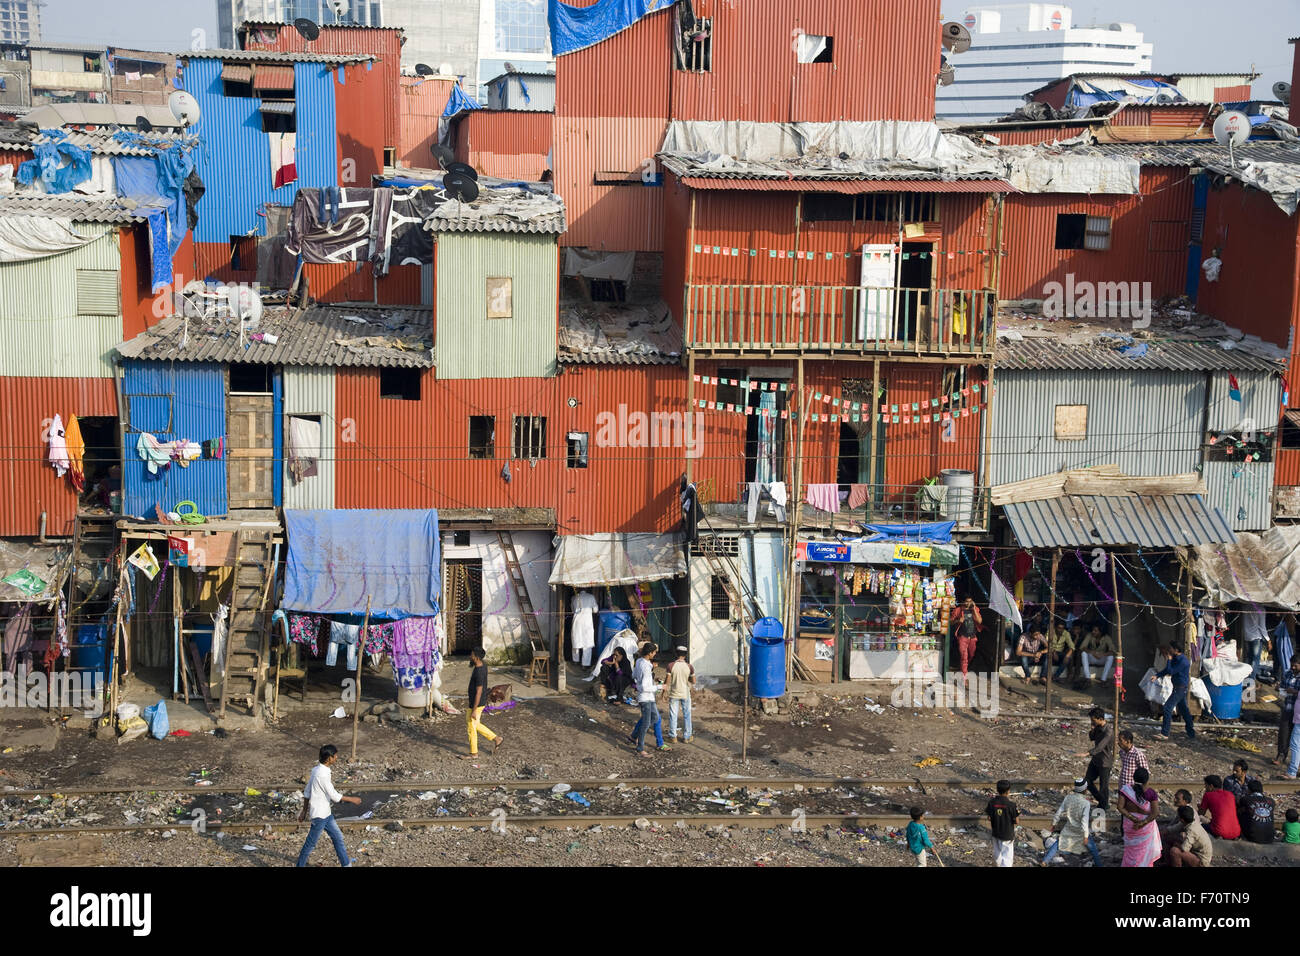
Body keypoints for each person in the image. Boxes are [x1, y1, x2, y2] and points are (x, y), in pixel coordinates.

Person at [296, 743, 362, 868]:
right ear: (329, 758)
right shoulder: (322, 774)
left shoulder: (316, 770)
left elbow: (307, 792)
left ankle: (346, 864)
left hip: (326, 814)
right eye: (335, 755)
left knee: (338, 838)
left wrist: (304, 811)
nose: (337, 757)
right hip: (320, 816)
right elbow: (334, 796)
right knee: (310, 845)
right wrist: (352, 799)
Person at [1041, 780, 1103, 867]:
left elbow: (1059, 812)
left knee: (1058, 844)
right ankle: (1099, 865)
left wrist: (1054, 823)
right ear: (1084, 790)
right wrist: (1085, 836)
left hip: (1069, 828)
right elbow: (1084, 821)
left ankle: (1045, 861)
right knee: (1093, 850)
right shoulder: (1086, 803)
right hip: (1080, 831)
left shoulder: (1068, 798)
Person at [629, 642, 670, 756]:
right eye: (654, 652)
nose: (655, 654)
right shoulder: (646, 666)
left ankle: (634, 736)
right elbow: (646, 687)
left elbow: (634, 676)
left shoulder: (639, 661)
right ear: (650, 653)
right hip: (646, 697)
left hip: (646, 697)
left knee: (655, 718)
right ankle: (640, 748)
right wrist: (660, 686)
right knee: (646, 723)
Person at [462, 646, 502, 759]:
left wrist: (474, 709)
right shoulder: (482, 665)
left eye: (472, 655)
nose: (470, 656)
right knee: (474, 724)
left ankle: (474, 753)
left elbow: (479, 691)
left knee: (471, 726)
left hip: (477, 702)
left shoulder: (479, 671)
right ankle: (496, 738)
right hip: (479, 701)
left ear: (476, 657)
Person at [1118, 767, 1161, 867]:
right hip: (1145, 827)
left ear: (1134, 777)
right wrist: (1142, 823)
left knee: (1130, 849)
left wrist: (1132, 818)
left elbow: (1120, 807)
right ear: (1147, 779)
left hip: (1129, 824)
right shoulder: (1151, 793)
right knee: (1144, 851)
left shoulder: (1125, 790)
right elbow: (1155, 813)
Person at [1153, 643, 1195, 740]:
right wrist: (1157, 675)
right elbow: (1167, 670)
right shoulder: (1176, 658)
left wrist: (1169, 660)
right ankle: (1191, 733)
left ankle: (1165, 733)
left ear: (1176, 650)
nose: (1169, 650)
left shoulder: (1183, 661)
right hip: (1177, 687)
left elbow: (1171, 671)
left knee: (1167, 708)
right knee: (1184, 711)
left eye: (1170, 649)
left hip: (1180, 688)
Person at [1075, 707, 1114, 810]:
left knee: (1103, 786)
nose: (1092, 721)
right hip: (1096, 760)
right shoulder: (1097, 727)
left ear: (1100, 718)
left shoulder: (1108, 731)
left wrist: (1087, 753)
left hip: (1104, 762)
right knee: (1087, 781)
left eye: (1093, 719)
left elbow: (1100, 746)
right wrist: (1092, 729)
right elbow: (1092, 738)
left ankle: (1103, 806)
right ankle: (1102, 801)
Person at [1273, 655, 1300, 767]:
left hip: (1298, 711)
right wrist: (1279, 688)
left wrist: (1294, 692)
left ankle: (1295, 762)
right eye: (1292, 665)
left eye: (1295, 665)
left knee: (1296, 738)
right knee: (1284, 732)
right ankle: (1281, 754)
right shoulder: (1288, 673)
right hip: (1287, 707)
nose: (1293, 667)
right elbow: (1283, 686)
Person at [985, 779, 1019, 867]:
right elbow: (1016, 821)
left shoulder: (992, 803)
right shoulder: (1011, 805)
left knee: (997, 853)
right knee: (1007, 856)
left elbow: (989, 818)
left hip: (996, 833)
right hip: (1007, 834)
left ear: (997, 790)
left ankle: (997, 864)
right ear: (1008, 791)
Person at [665, 645, 695, 743]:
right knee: (687, 714)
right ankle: (687, 737)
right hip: (685, 693)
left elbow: (668, 681)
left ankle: (673, 736)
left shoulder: (670, 665)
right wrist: (687, 677)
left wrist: (663, 692)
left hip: (674, 693)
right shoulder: (689, 666)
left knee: (673, 714)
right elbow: (693, 681)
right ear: (685, 655)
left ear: (676, 654)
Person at [1198, 775, 1241, 840]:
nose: (1205, 787)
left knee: (1198, 827)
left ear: (1211, 786)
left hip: (1220, 832)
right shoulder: (1230, 794)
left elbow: (1201, 813)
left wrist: (1200, 807)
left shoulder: (1208, 795)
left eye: (1206, 785)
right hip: (1236, 832)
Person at [950, 596, 982, 678]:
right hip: (962, 637)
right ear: (963, 602)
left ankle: (964, 667)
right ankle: (964, 676)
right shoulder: (958, 610)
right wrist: (958, 620)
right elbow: (950, 622)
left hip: (972, 637)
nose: (968, 603)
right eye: (966, 601)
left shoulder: (975, 609)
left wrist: (974, 609)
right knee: (964, 657)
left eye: (970, 601)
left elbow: (979, 621)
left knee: (971, 654)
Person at [1238, 779, 1275, 844]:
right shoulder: (1271, 801)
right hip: (1270, 838)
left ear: (1249, 790)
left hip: (1252, 837)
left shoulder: (1245, 799)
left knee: (1240, 811)